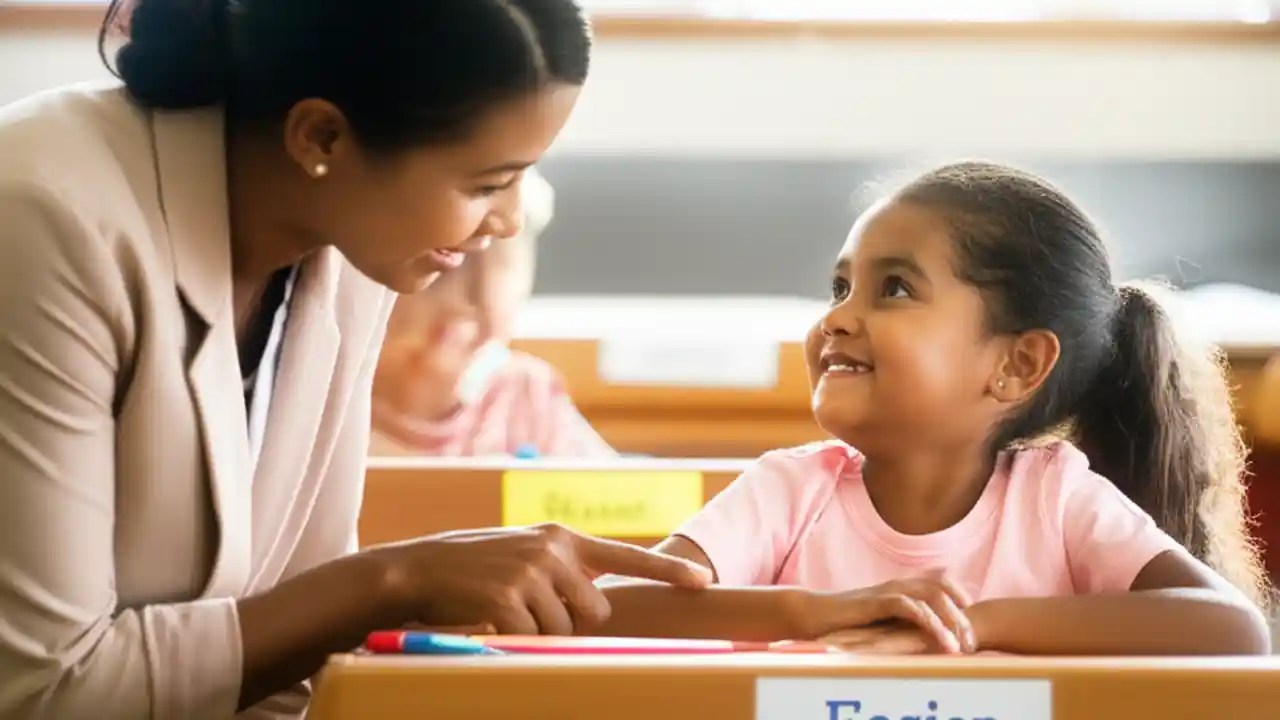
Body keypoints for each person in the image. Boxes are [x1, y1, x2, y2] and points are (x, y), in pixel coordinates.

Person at [0, 1, 711, 718]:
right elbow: (44, 691)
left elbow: (287, 668)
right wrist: (393, 581)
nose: (509, 221)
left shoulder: (352, 239)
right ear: (322, 136)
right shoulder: (42, 217)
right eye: (487, 183)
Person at [586, 162, 1272, 655]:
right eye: (839, 287)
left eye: (894, 290)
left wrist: (975, 623)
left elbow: (1230, 628)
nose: (839, 319)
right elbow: (604, 609)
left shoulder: (1056, 500)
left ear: (1017, 365)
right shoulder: (788, 492)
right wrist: (814, 613)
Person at [370, 169, 616, 458]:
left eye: (500, 274)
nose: (469, 304)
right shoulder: (334, 392)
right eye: (444, 273)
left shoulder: (523, 394)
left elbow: (613, 490)